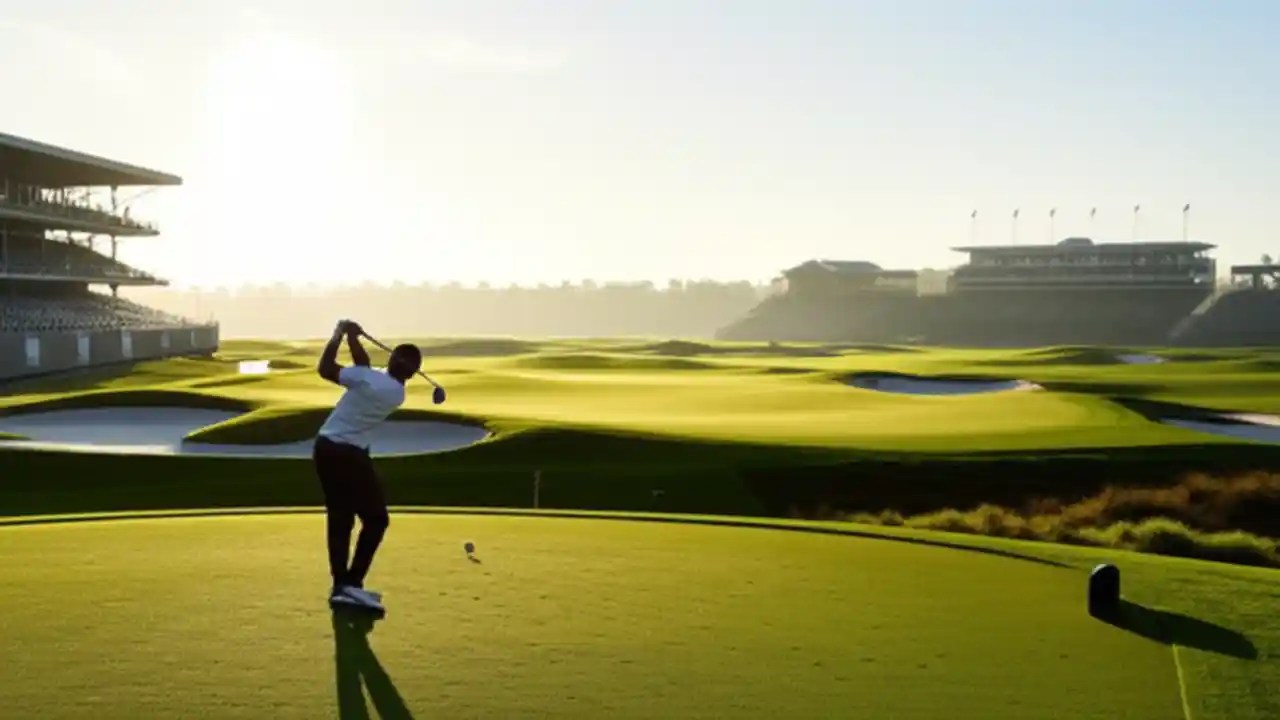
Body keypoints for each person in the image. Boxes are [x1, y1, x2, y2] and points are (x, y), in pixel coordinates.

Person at [315, 319, 423, 613]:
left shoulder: (372, 380)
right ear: (412, 373)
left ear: (391, 360)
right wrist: (354, 338)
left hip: (330, 449)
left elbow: (326, 369)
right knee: (370, 519)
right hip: (346, 453)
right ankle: (348, 585)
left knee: (347, 518)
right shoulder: (395, 391)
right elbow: (362, 366)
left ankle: (345, 585)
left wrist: (338, 334)